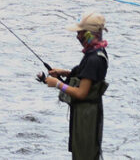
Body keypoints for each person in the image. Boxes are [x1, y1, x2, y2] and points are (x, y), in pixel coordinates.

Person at [39, 13, 109, 160]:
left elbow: (81, 93)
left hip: (87, 116)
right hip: (89, 112)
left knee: (85, 153)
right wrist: (64, 72)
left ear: (89, 34)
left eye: (80, 33)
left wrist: (57, 84)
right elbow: (88, 78)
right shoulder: (98, 53)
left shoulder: (93, 59)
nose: (77, 36)